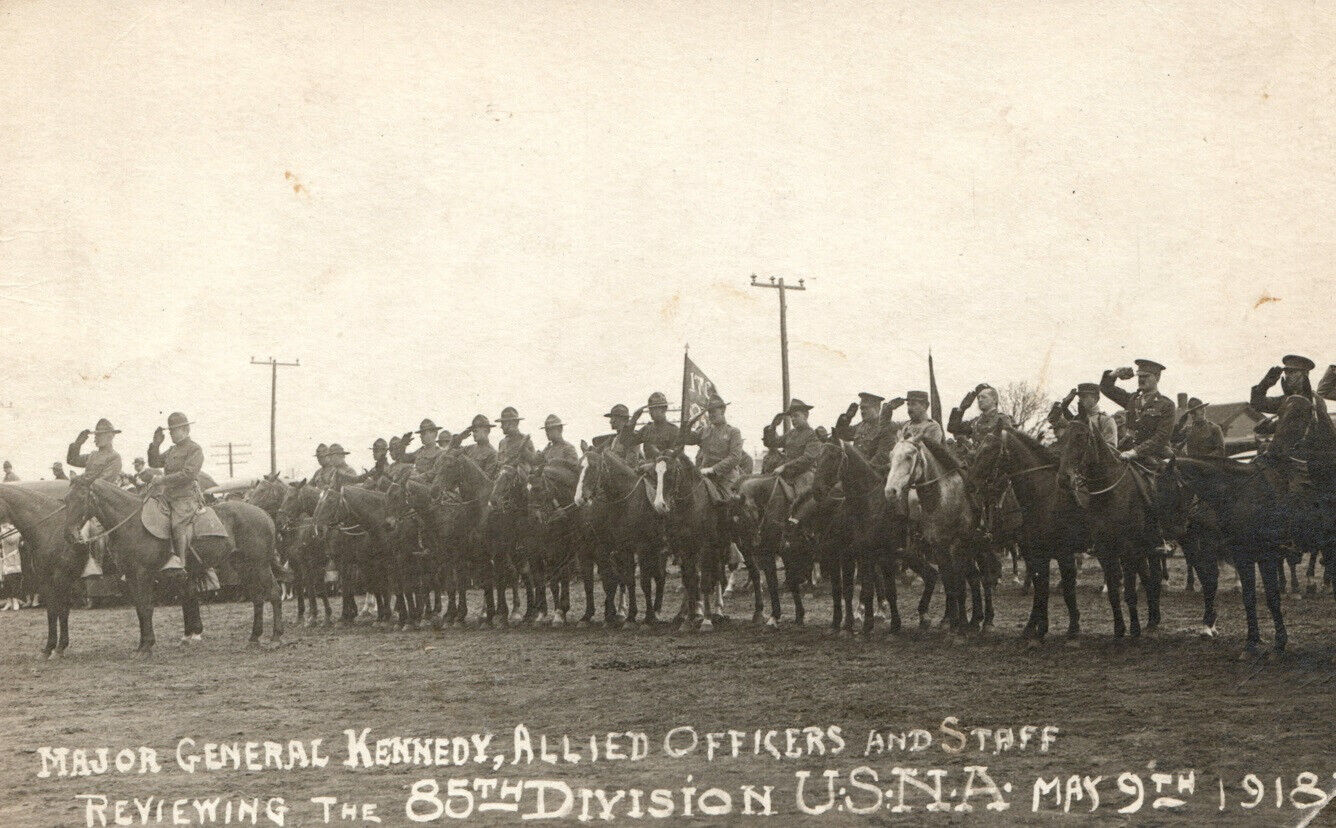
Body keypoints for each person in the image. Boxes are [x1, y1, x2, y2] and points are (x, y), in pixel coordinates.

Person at [146, 412, 204, 571]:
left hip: (185, 498)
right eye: (170, 430)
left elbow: (188, 474)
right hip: (168, 497)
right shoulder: (172, 450)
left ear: (185, 429)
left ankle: (181, 562)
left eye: (174, 430)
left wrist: (162, 480)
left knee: (177, 525)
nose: (170, 433)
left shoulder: (194, 449)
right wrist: (156, 444)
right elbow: (154, 462)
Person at [1100, 359, 1175, 464]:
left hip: (1155, 454)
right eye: (1140, 376)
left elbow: (1162, 436)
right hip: (1126, 450)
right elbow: (1106, 388)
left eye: (1146, 376)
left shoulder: (1166, 405)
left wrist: (1136, 451)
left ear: (1157, 378)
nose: (1141, 380)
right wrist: (1114, 374)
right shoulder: (1132, 399)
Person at [682, 395, 745, 502]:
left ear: (722, 411)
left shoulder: (733, 432)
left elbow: (735, 457)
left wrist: (713, 469)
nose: (711, 414)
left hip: (725, 479)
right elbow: (686, 439)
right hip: (704, 476)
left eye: (713, 411)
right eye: (709, 412)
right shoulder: (704, 431)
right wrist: (687, 424)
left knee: (729, 506)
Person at [761, 398, 821, 505]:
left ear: (806, 416)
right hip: (787, 475)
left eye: (796, 416)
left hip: (805, 475)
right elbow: (771, 443)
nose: (793, 419)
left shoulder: (812, 435)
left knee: (798, 503)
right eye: (791, 416)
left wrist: (784, 466)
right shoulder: (791, 434)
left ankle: (795, 520)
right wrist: (773, 425)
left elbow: (808, 458)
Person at [835, 392, 900, 471]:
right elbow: (842, 434)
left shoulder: (886, 426)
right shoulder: (861, 426)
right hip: (858, 472)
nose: (862, 411)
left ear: (877, 408)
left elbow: (884, 455)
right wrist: (847, 418)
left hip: (876, 473)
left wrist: (865, 468)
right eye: (861, 408)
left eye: (866, 408)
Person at [1048, 383, 1119, 448]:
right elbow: (1055, 419)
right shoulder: (1077, 418)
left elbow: (1111, 448)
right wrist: (1064, 405)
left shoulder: (1105, 420)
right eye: (1079, 397)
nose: (1080, 400)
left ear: (1095, 399)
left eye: (1084, 397)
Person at [948, 384, 1014, 449]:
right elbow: (953, 429)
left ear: (994, 400)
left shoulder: (1002, 419)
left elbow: (1008, 445)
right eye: (978, 398)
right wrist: (961, 409)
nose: (980, 400)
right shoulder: (975, 422)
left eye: (983, 397)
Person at [622, 392, 682, 463]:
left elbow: (674, 459)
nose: (650, 412)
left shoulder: (673, 430)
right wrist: (633, 420)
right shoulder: (646, 429)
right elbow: (626, 441)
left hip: (665, 472)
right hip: (646, 471)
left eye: (654, 409)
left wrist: (652, 465)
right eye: (650, 409)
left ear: (664, 409)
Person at [66, 418, 124, 483]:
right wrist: (78, 444)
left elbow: (102, 483)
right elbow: (72, 460)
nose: (95, 439)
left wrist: (80, 479)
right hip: (84, 490)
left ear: (110, 436)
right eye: (95, 435)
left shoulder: (114, 457)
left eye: (99, 435)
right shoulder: (93, 455)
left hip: (99, 492)